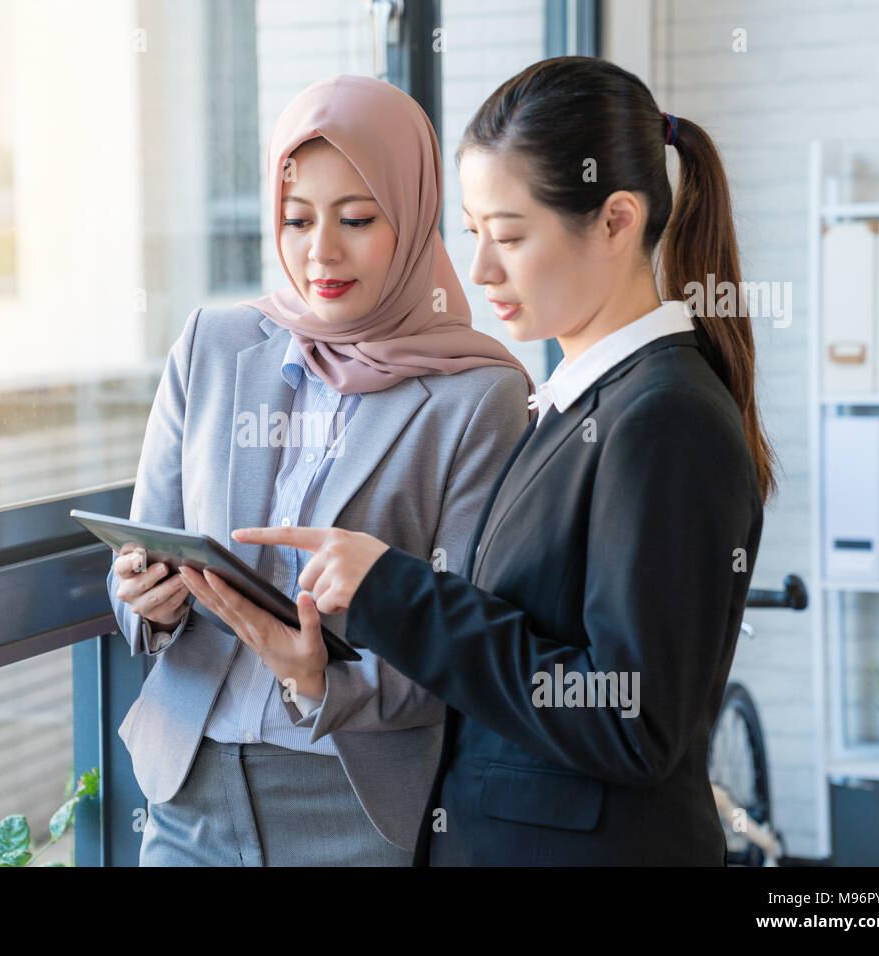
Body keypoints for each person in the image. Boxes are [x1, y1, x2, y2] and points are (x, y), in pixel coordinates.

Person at [233, 56, 778, 865]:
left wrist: (398, 592)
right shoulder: (581, 400)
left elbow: (630, 717)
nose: (481, 271)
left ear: (616, 220)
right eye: (473, 233)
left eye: (511, 236)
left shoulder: (664, 417)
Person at [105, 74, 534, 866]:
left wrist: (323, 678)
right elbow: (140, 551)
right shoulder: (214, 346)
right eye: (296, 220)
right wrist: (146, 600)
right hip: (186, 796)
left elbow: (470, 644)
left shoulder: (481, 397)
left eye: (358, 219)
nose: (320, 252)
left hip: (351, 810)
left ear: (411, 218)